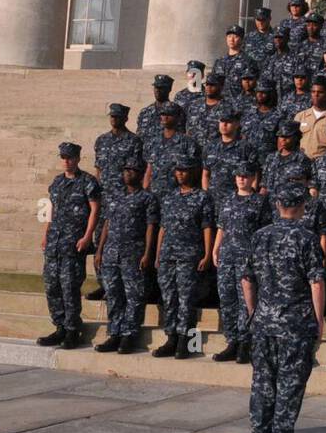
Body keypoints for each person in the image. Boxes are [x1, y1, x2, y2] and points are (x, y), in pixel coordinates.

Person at [243, 187, 326, 433]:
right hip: (296, 324)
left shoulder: (260, 236)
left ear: (278, 204)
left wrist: (254, 313)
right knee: (290, 385)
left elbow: (247, 280)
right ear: (303, 205)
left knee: (263, 384)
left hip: (264, 323)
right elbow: (316, 282)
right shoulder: (307, 238)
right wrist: (319, 321)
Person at [38, 141, 101, 351]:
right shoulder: (56, 182)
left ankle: (73, 329)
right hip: (55, 243)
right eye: (63, 158)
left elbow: (94, 210)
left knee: (70, 287)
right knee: (52, 286)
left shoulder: (88, 182)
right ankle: (60, 327)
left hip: (73, 244)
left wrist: (87, 236)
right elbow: (50, 209)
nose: (66, 161)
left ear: (77, 159)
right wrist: (45, 234)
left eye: (70, 158)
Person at [152, 151, 215, 359]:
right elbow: (162, 227)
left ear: (192, 172)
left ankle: (184, 340)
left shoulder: (202, 197)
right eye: (178, 170)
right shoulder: (169, 197)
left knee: (186, 299)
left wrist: (207, 254)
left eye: (184, 171)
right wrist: (158, 253)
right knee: (169, 297)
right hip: (168, 254)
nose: (180, 174)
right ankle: (171, 337)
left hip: (190, 255)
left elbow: (207, 227)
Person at [94, 154, 159, 354]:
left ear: (140, 175)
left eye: (132, 170)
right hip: (112, 254)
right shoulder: (115, 196)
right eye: (126, 170)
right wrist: (100, 250)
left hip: (134, 254)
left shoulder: (147, 198)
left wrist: (148, 253)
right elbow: (106, 223)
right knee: (113, 295)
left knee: (134, 296)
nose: (128, 173)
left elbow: (151, 227)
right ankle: (114, 333)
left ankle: (129, 335)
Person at [211, 157, 270, 364]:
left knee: (246, 301)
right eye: (238, 176)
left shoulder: (260, 202)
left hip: (248, 258)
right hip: (227, 255)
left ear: (253, 178)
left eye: (245, 176)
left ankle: (246, 342)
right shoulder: (227, 199)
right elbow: (221, 226)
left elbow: (264, 232)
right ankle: (232, 340)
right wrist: (215, 248)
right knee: (227, 299)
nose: (241, 179)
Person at [87, 102, 144, 301]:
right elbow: (99, 170)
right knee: (99, 240)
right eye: (112, 116)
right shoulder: (101, 140)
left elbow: (136, 170)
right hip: (104, 198)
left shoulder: (133, 141)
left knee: (119, 241)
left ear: (125, 118)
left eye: (118, 116)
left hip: (123, 198)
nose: (114, 119)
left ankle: (117, 285)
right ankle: (102, 284)